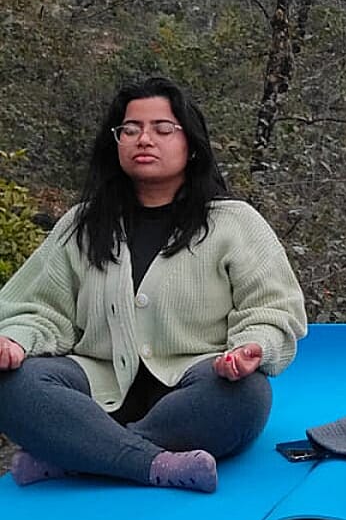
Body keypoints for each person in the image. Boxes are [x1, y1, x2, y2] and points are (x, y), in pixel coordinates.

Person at [0, 76, 307, 492]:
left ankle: (78, 456)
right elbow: (40, 307)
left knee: (247, 395)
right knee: (12, 384)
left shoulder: (234, 224)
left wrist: (251, 347)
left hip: (195, 387)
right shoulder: (82, 225)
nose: (144, 139)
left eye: (163, 129)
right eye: (131, 129)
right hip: (96, 388)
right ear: (117, 142)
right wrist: (16, 340)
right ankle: (153, 463)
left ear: (191, 144)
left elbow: (272, 308)